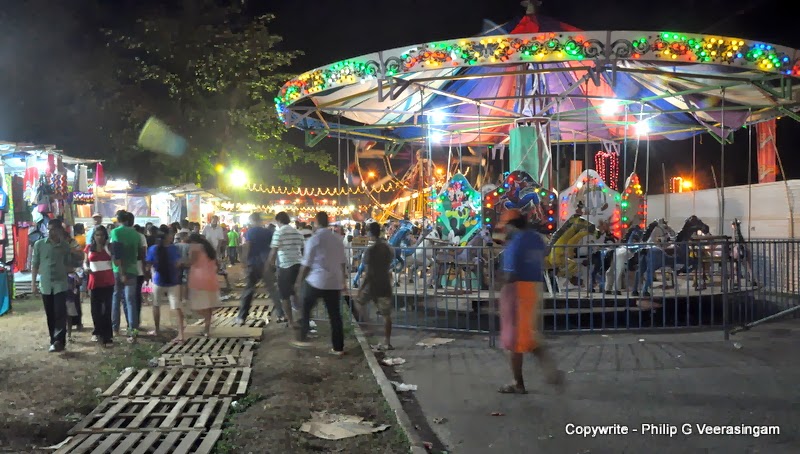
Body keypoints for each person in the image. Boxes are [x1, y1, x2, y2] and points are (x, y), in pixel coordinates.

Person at [496, 209, 564, 394]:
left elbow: (510, 273)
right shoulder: (536, 238)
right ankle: (551, 371)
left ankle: (518, 383)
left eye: (506, 226)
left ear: (511, 225)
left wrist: (499, 288)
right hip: (534, 289)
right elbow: (543, 256)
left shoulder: (515, 243)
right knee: (528, 336)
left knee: (513, 340)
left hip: (516, 290)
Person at [292, 212, 348, 356]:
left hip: (316, 281)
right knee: (335, 316)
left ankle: (302, 338)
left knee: (305, 307)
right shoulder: (337, 239)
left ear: (316, 222)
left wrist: (298, 281)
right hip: (334, 282)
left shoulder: (314, 239)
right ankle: (338, 348)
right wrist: (343, 281)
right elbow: (342, 263)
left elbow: (306, 264)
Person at [31, 219, 72, 352]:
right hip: (46, 284)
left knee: (60, 312)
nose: (50, 232)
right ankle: (53, 340)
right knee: (50, 314)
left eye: (53, 229)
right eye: (49, 229)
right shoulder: (39, 244)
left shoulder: (64, 246)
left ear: (59, 230)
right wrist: (33, 283)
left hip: (60, 283)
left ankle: (59, 340)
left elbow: (68, 263)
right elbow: (35, 264)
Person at [354, 222, 394, 350]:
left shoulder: (370, 251)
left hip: (373, 284)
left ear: (370, 233)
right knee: (386, 315)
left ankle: (369, 327)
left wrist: (360, 288)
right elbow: (390, 263)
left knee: (359, 302)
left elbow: (368, 272)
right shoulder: (388, 248)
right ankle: (387, 341)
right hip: (385, 283)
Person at [146, 226, 184, 340]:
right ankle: (181, 334)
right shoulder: (174, 249)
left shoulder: (153, 249)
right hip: (173, 281)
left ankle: (157, 330)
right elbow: (178, 263)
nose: (172, 236)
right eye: (171, 234)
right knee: (177, 307)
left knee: (156, 305)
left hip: (158, 281)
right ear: (167, 236)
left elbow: (148, 265)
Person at [110, 211, 144, 341]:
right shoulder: (136, 234)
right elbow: (140, 253)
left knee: (116, 298)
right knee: (131, 301)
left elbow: (117, 253)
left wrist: (121, 272)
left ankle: (115, 327)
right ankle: (133, 330)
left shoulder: (116, 232)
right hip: (132, 269)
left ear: (119, 220)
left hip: (118, 270)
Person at [235, 213, 274, 325]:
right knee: (272, 290)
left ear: (252, 220)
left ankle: (242, 316)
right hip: (265, 263)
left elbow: (247, 246)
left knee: (249, 290)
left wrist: (244, 261)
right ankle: (281, 314)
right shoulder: (268, 232)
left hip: (253, 264)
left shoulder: (250, 232)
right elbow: (273, 247)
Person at [268, 211, 303, 325]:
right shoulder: (297, 232)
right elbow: (303, 249)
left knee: (285, 295)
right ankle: (302, 317)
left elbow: (273, 251)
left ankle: (291, 321)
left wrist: (270, 266)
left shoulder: (279, 233)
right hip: (299, 266)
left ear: (278, 221)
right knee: (296, 293)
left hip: (285, 267)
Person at [85, 226, 115, 346]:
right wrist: (86, 268)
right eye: (97, 235)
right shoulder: (89, 248)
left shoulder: (109, 247)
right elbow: (85, 262)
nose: (99, 237)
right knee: (95, 309)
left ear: (105, 236)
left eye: (102, 235)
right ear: (94, 236)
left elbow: (115, 261)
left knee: (107, 309)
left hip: (107, 281)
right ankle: (97, 331)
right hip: (94, 281)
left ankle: (107, 336)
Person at [187, 233, 221, 336]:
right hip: (211, 278)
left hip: (198, 279)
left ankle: (206, 329)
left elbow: (191, 261)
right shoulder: (209, 248)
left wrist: (180, 263)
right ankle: (207, 329)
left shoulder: (195, 247)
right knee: (208, 306)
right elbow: (218, 264)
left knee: (199, 305)